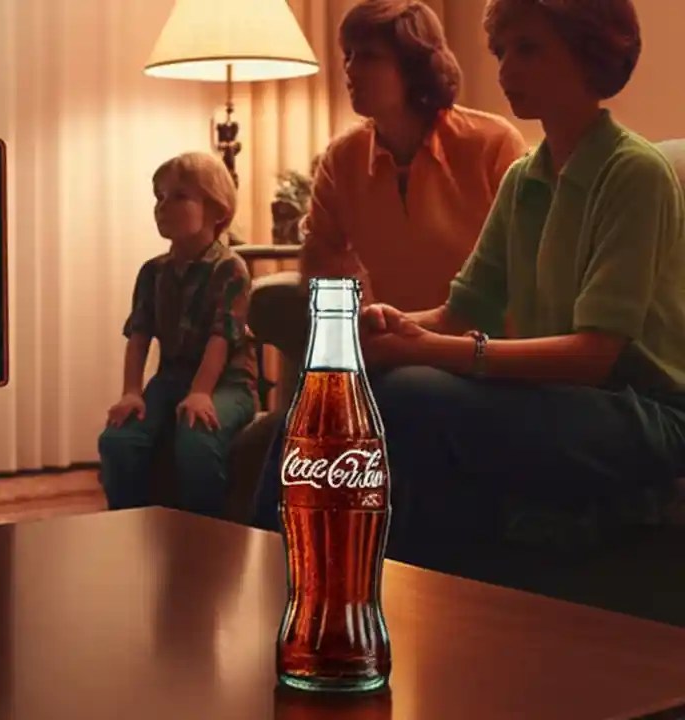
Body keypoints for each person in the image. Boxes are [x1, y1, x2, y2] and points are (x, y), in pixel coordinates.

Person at [252, 0, 685, 567]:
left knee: (409, 393)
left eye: (528, 49)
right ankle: (270, 571)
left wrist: (431, 349)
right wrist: (400, 325)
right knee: (334, 389)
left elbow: (595, 356)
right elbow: (462, 309)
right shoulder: (523, 179)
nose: (506, 69)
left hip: (644, 411)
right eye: (501, 52)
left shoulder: (634, 172)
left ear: (590, 51)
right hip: (565, 399)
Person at [301, 0, 529, 311]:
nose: (350, 69)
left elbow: (528, 269)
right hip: (391, 344)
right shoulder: (342, 159)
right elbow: (321, 261)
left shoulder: (492, 144)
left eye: (368, 56)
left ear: (414, 67)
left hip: (479, 347)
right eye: (348, 55)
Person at [99, 152, 257, 518]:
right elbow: (138, 335)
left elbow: (222, 337)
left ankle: (209, 535)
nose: (162, 206)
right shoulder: (153, 272)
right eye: (159, 197)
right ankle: (130, 526)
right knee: (118, 441)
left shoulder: (230, 269)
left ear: (217, 211)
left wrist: (201, 393)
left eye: (178, 196)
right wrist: (132, 392)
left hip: (227, 383)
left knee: (196, 441)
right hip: (171, 379)